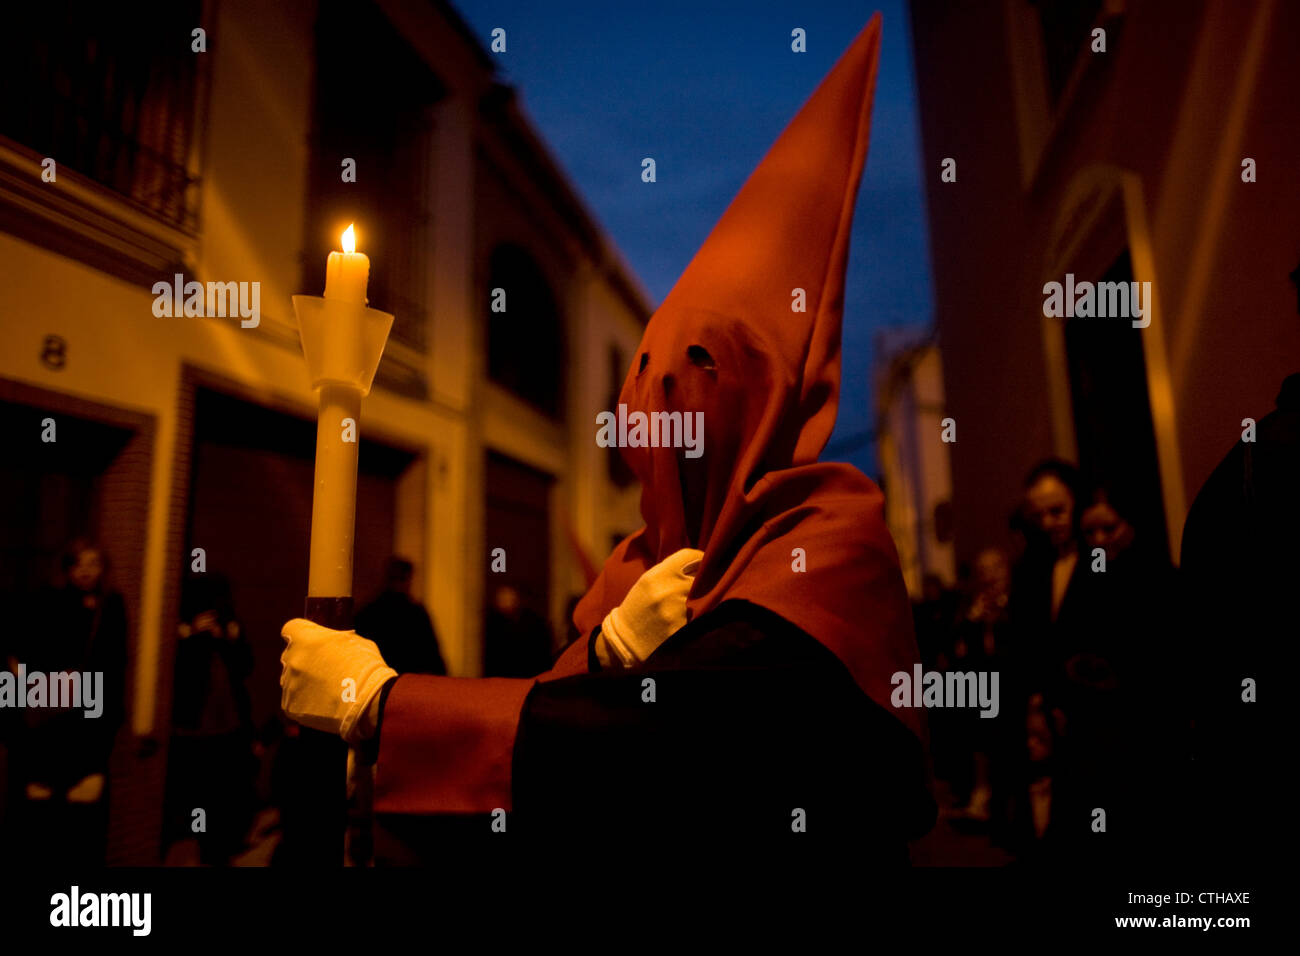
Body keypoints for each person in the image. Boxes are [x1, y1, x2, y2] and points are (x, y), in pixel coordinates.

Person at [280, 16, 935, 857]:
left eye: (686, 394)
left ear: (754, 408)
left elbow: (657, 757)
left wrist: (382, 706)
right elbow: (566, 707)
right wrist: (612, 649)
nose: (652, 446)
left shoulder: (823, 566)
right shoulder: (653, 573)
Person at [6, 539, 127, 866]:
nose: (86, 571)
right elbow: (20, 653)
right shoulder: (44, 601)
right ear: (67, 568)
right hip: (46, 718)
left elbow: (114, 668)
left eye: (93, 563)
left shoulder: (110, 606)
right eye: (78, 563)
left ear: (102, 569)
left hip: (86, 721)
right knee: (39, 816)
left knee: (82, 821)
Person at [165, 572, 257, 864]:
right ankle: (197, 845)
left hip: (228, 728)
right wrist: (192, 635)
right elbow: (178, 674)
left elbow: (245, 667)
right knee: (193, 796)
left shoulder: (230, 628)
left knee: (223, 795)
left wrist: (227, 638)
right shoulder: (182, 631)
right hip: (194, 729)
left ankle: (219, 846)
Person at [354, 558, 446, 676]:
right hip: (407, 681)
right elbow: (433, 657)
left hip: (379, 678)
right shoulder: (416, 613)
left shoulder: (369, 612)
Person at [482, 585, 553, 679]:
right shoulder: (492, 624)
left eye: (511, 599)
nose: (507, 603)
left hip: (529, 674)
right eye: (503, 599)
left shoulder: (533, 622)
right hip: (500, 674)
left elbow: (541, 650)